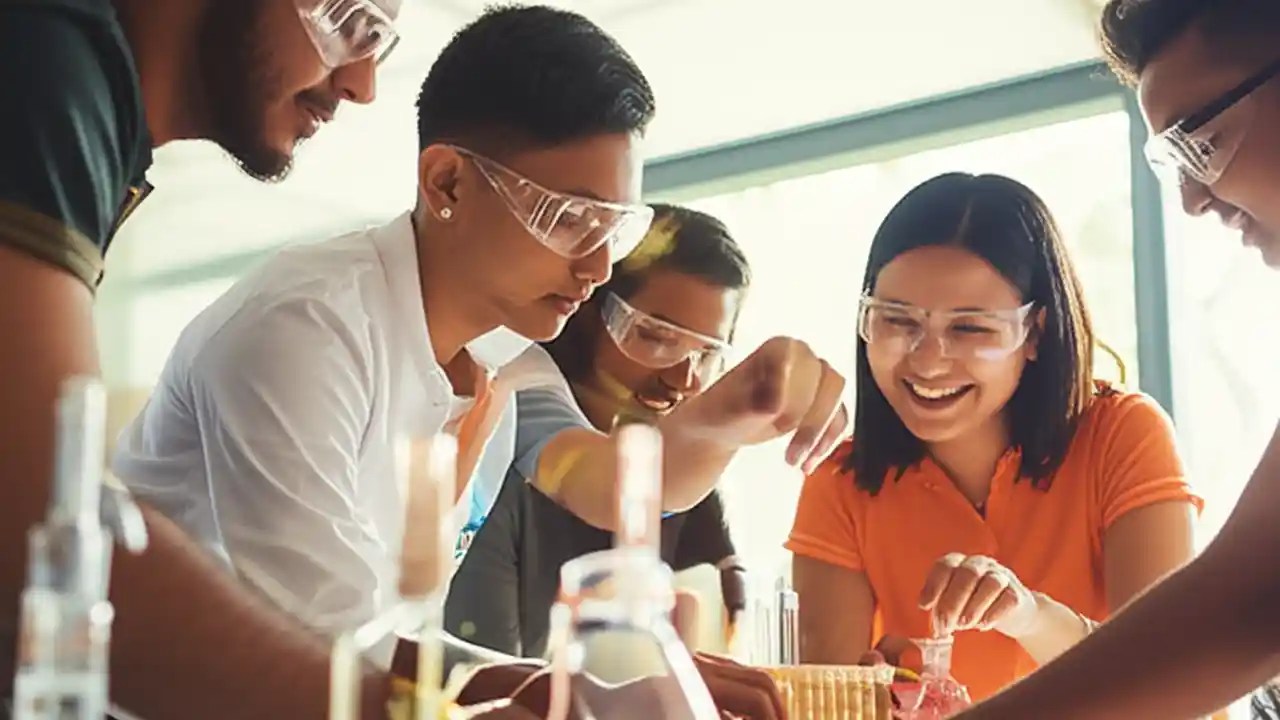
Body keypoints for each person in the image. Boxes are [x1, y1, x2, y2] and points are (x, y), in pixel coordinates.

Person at [114, 6, 834, 717]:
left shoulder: (507, 362)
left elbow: (617, 482)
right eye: (568, 219)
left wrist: (587, 685)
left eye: (613, 230)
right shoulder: (306, 330)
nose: (594, 268)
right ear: (448, 183)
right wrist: (569, 691)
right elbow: (333, 648)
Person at [0, 0, 408, 717]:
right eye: (350, 18)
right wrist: (396, 709)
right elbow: (39, 531)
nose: (362, 82)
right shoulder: (43, 60)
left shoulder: (94, 111)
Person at [951, 2, 1280, 718]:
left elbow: (1249, 601)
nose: (1193, 199)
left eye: (1203, 142)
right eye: (1172, 163)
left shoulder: (1119, 429)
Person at [786, 172, 1201, 702]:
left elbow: (1170, 681)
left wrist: (1028, 616)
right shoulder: (840, 481)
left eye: (971, 328)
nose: (928, 360)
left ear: (1037, 333)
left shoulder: (1122, 434)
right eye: (896, 321)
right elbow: (827, 705)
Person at [445, 204, 750, 660]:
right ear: (584, 313)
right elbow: (476, 684)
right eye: (656, 338)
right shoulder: (503, 444)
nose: (682, 381)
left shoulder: (683, 486)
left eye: (705, 355)